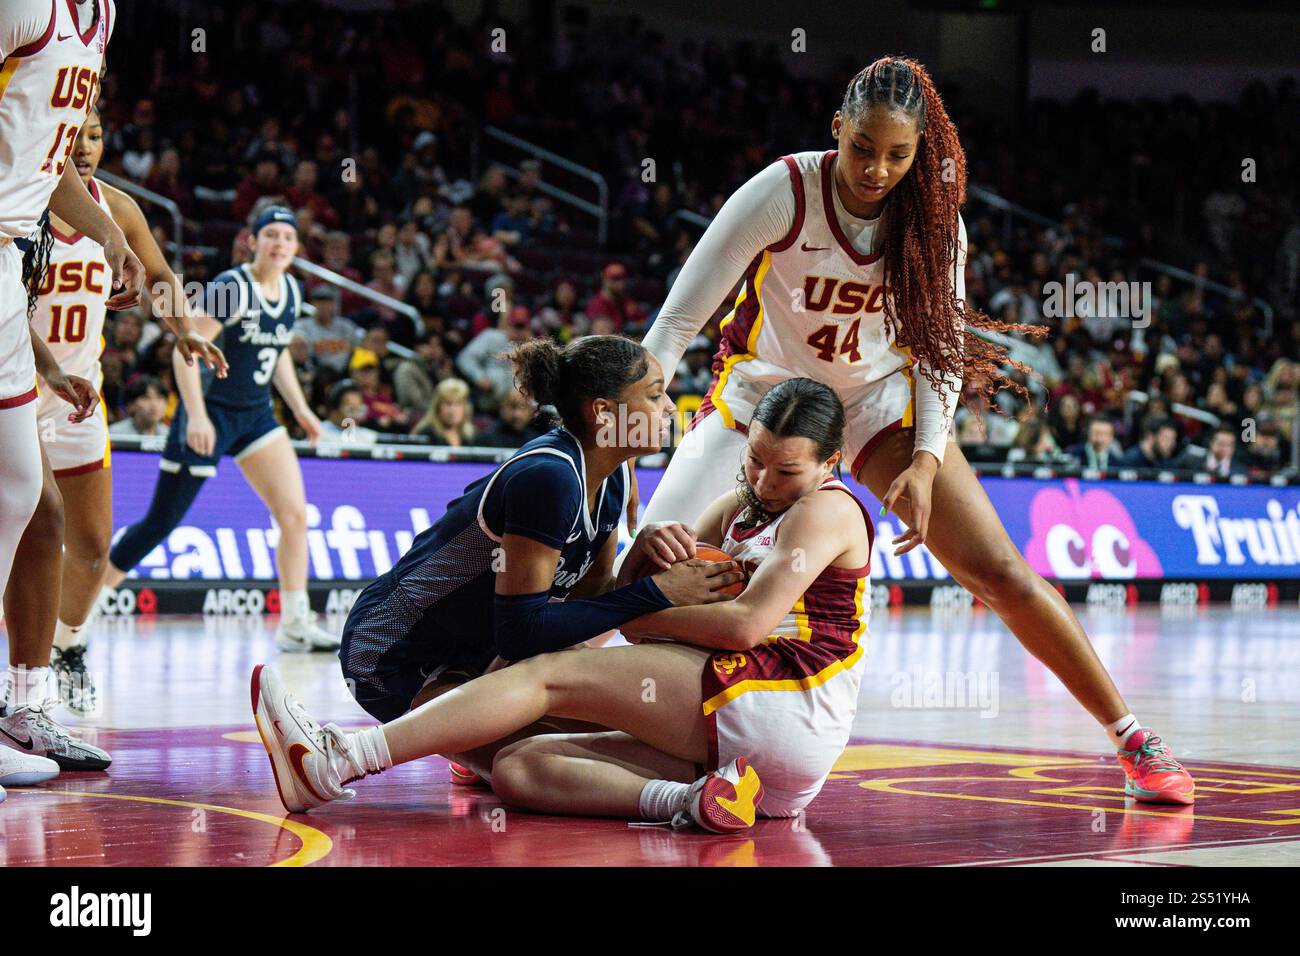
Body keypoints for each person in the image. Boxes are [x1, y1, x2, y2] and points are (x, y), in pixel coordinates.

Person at [632, 55, 1193, 805]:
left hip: (871, 406)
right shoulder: (784, 189)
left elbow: (937, 353)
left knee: (997, 568)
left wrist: (927, 459)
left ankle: (1131, 737)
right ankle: (523, 718)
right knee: (642, 570)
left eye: (898, 155)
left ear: (919, 150)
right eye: (863, 147)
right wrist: (637, 402)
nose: (876, 168)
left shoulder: (934, 222)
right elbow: (677, 319)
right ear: (838, 130)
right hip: (764, 401)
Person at [251, 376, 872, 832]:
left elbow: (744, 626)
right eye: (756, 460)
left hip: (787, 696)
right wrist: (646, 557)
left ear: (830, 462)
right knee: (521, 766)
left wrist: (640, 604)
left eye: (786, 471)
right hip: (761, 764)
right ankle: (690, 801)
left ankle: (340, 760)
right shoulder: (737, 508)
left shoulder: (827, 509)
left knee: (546, 676)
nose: (765, 482)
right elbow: (624, 599)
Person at [31, 106, 227, 717]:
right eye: (73, 134)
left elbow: (161, 275)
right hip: (18, 385)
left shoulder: (118, 209)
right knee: (41, 526)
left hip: (80, 395)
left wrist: (182, 333)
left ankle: (67, 645)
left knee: (92, 545)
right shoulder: (22, 202)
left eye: (92, 135)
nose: (83, 146)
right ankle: (24, 679)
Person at [1, 0, 141, 791]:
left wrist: (109, 231)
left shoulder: (101, 17)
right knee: (21, 494)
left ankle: (25, 701)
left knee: (35, 502)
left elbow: (43, 163)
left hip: (11, 269)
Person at [102, 207, 339, 653]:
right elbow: (183, 352)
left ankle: (294, 622)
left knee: (294, 516)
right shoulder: (232, 287)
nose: (280, 243)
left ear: (297, 246)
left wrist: (302, 410)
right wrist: (195, 415)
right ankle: (88, 607)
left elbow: (277, 350)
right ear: (252, 241)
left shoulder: (290, 289)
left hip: (254, 416)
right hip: (210, 412)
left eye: (288, 236)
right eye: (270, 233)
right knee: (160, 523)